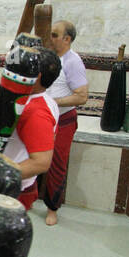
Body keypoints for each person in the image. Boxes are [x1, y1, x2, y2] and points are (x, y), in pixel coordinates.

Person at [2, 49, 61, 257]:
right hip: (12, 186)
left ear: (37, 76)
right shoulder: (35, 99)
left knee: (10, 250)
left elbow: (41, 162)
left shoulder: (37, 111)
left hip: (16, 189)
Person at [40, 21, 89, 226]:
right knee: (35, 157)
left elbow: (82, 96)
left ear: (67, 39)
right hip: (43, 119)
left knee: (56, 163)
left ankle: (52, 208)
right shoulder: (48, 58)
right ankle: (30, 197)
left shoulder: (72, 61)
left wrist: (53, 102)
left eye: (54, 35)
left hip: (63, 120)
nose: (50, 38)